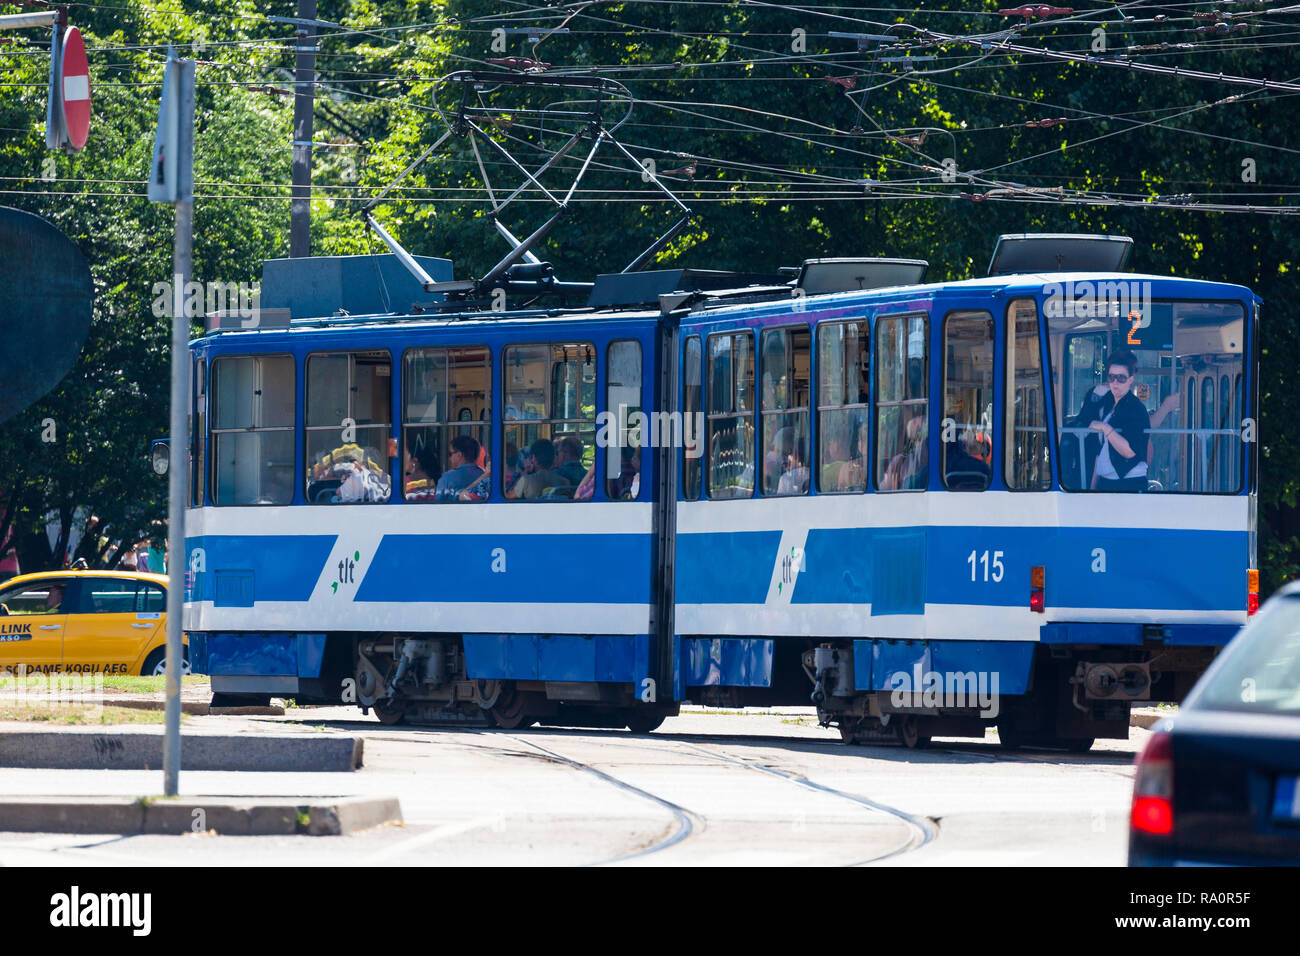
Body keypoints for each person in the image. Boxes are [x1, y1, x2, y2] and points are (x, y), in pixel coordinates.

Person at [1069, 348, 1150, 492]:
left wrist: (1105, 428)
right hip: (1106, 481)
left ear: (1131, 379)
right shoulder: (1108, 403)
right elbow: (1101, 452)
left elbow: (1130, 451)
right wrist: (1093, 489)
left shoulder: (1135, 408)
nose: (1115, 382)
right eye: (1111, 377)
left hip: (1129, 483)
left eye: (1121, 378)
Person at [435, 435, 485, 500]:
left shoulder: (447, 478)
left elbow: (438, 503)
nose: (449, 458)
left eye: (450, 454)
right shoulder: (484, 476)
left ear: (459, 455)